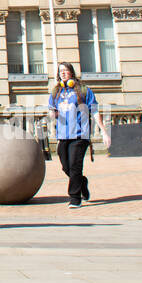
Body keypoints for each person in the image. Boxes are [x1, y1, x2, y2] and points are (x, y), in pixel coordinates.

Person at [48, 62, 109, 207]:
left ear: (71, 73)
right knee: (66, 167)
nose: (63, 73)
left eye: (66, 70)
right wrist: (52, 114)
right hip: (63, 135)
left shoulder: (84, 90)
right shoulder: (56, 92)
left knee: (75, 166)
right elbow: (52, 110)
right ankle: (82, 182)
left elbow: (94, 111)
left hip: (80, 135)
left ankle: (75, 198)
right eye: (60, 71)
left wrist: (104, 132)